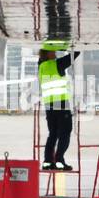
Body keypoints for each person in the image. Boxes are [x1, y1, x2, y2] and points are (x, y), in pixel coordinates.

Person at [38, 43, 80, 171]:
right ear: (48, 53)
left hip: (49, 105)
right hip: (60, 104)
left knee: (53, 134)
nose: (55, 54)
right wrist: (65, 47)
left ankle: (47, 162)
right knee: (65, 132)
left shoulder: (41, 66)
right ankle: (59, 160)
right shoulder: (56, 64)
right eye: (54, 52)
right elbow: (76, 53)